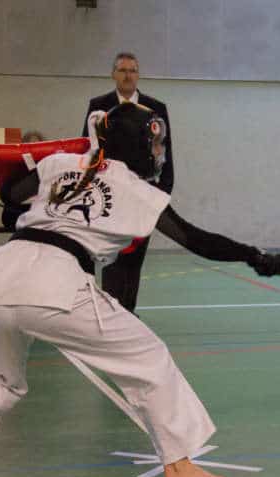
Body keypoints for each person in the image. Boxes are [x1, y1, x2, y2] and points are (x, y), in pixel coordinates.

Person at [0, 102, 280, 477]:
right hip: (56, 282)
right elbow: (196, 240)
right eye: (154, 144)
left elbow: (11, 194)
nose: (157, 153)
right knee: (149, 358)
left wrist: (60, 160)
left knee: (1, 377)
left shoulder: (64, 162)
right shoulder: (138, 191)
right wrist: (254, 255)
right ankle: (179, 465)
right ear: (136, 144)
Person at [82, 52, 176, 313]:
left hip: (143, 195)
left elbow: (165, 153)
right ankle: (112, 314)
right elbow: (87, 149)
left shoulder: (156, 108)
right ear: (113, 74)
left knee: (135, 261)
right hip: (110, 198)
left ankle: (129, 313)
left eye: (132, 70)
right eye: (122, 70)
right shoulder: (98, 106)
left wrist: (164, 190)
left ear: (138, 75)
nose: (127, 75)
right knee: (112, 259)